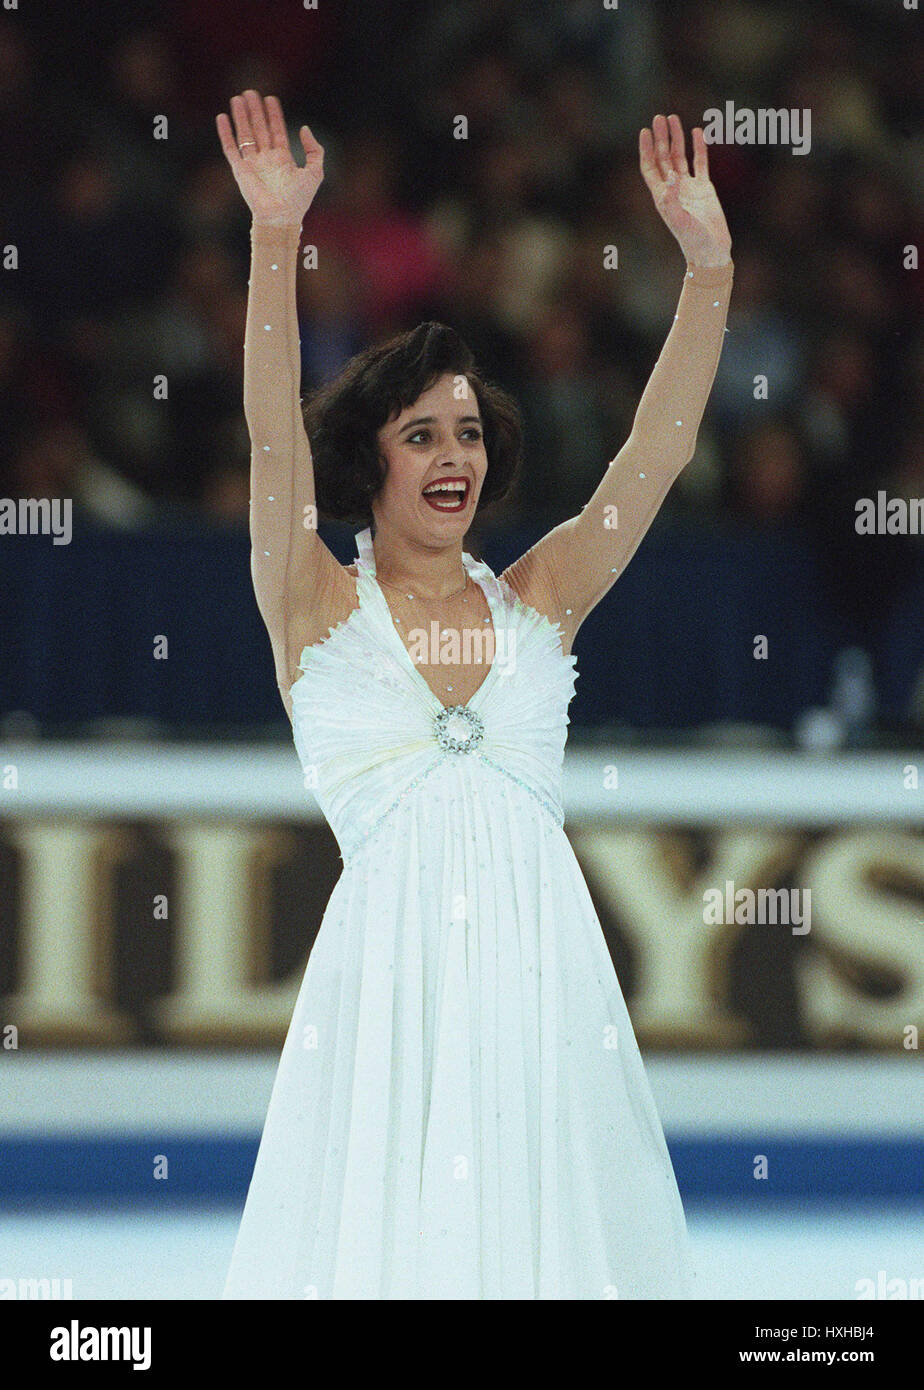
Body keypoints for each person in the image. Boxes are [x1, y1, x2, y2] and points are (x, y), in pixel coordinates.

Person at [216, 90, 733, 1300]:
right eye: (421, 435)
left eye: (468, 432)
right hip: (386, 1009)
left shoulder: (540, 595)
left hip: (539, 999)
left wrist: (708, 270)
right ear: (371, 460)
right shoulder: (313, 606)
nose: (455, 456)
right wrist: (274, 238)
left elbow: (654, 458)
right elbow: (267, 438)